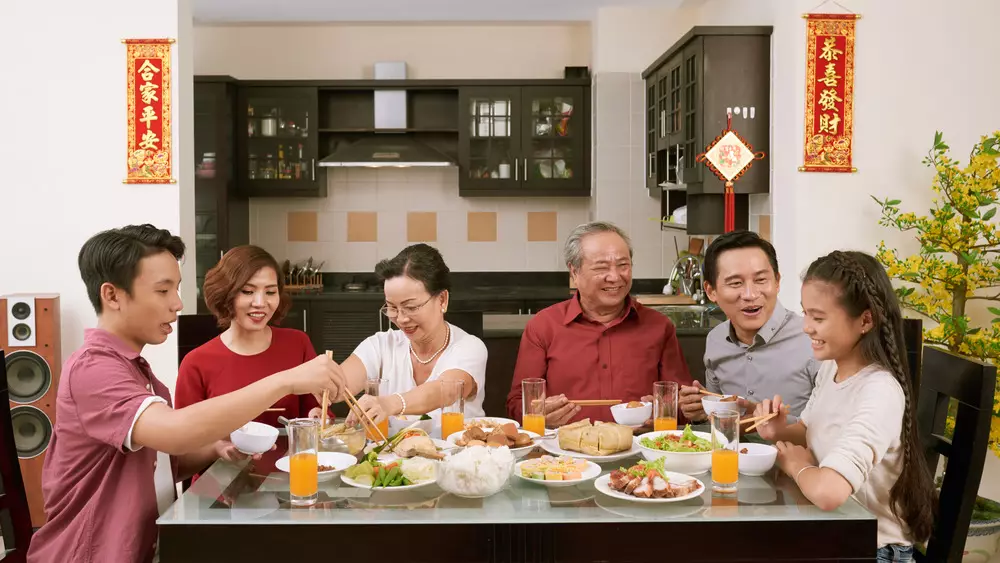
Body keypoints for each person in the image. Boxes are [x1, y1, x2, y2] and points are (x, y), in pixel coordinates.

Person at [27, 225, 345, 563]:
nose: (178, 304)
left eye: (176, 289)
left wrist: (216, 448)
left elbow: (163, 461)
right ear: (113, 295)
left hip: (148, 545)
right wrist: (285, 381)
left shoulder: (135, 369)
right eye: (163, 291)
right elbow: (176, 433)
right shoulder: (94, 369)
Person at [753, 250, 934, 562]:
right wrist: (781, 429)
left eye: (818, 318)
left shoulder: (879, 391)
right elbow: (811, 432)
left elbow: (828, 492)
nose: (806, 327)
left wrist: (797, 465)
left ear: (865, 320)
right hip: (836, 535)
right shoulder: (833, 368)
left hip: (873, 550)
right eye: (805, 313)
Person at [506, 221, 692, 428]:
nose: (615, 277)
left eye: (623, 265)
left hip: (641, 452)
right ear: (574, 272)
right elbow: (516, 404)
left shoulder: (659, 326)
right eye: (601, 267)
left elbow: (683, 405)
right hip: (565, 455)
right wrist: (538, 415)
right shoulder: (543, 326)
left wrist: (665, 412)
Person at [314, 244, 488, 432]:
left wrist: (390, 404)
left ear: (442, 300)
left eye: (411, 307)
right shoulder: (380, 345)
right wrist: (325, 386)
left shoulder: (469, 347)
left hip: (458, 457)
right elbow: (341, 384)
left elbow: (446, 390)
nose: (401, 319)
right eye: (392, 307)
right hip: (394, 460)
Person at [679, 230, 818, 423]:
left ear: (777, 282)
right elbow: (718, 420)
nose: (750, 294)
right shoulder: (716, 340)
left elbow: (834, 429)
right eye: (736, 283)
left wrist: (769, 420)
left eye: (761, 280)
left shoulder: (812, 339)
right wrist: (702, 411)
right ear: (711, 291)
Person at [176, 245, 321, 428]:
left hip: (292, 457)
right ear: (225, 294)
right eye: (247, 291)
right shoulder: (196, 363)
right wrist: (218, 448)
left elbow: (317, 409)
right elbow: (184, 452)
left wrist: (318, 415)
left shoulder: (298, 343)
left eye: (270, 292)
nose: (260, 303)